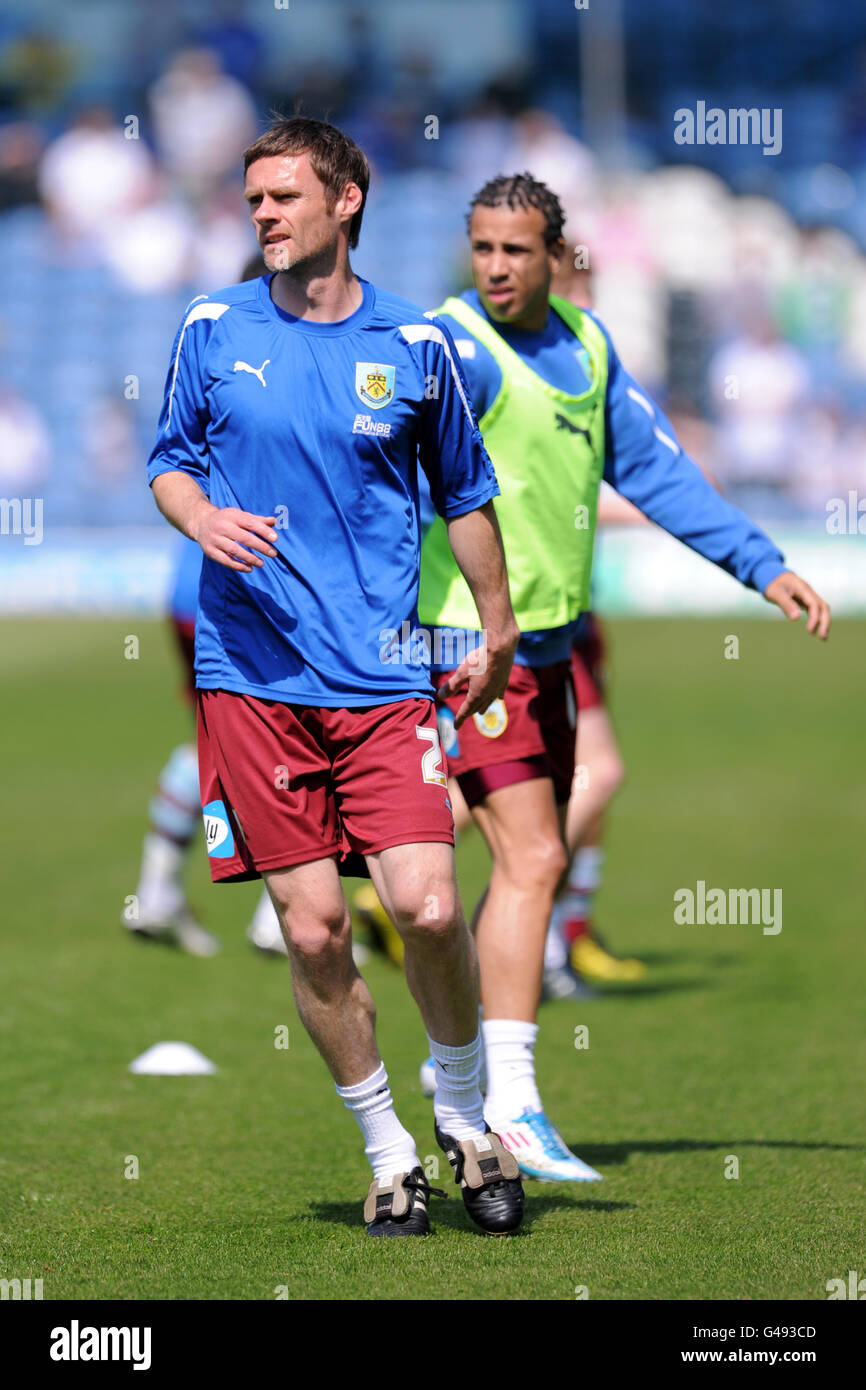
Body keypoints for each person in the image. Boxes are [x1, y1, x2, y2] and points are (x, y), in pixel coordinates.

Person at [146, 116, 525, 1237]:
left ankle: (466, 1119)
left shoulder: (416, 346)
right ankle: (387, 1150)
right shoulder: (210, 327)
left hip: (385, 674)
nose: (260, 213)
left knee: (426, 901)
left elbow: (464, 491)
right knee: (311, 932)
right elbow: (168, 461)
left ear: (344, 201)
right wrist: (203, 515)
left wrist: (493, 623)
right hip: (251, 680)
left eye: (281, 196)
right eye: (251, 198)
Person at [414, 172, 830, 1183]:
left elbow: (653, 470)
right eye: (482, 249)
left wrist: (756, 561)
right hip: (466, 647)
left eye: (516, 250)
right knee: (526, 858)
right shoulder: (446, 347)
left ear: (556, 255)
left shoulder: (588, 349)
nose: (497, 267)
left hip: (547, 647)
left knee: (498, 864)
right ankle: (499, 1098)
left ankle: (463, 1084)